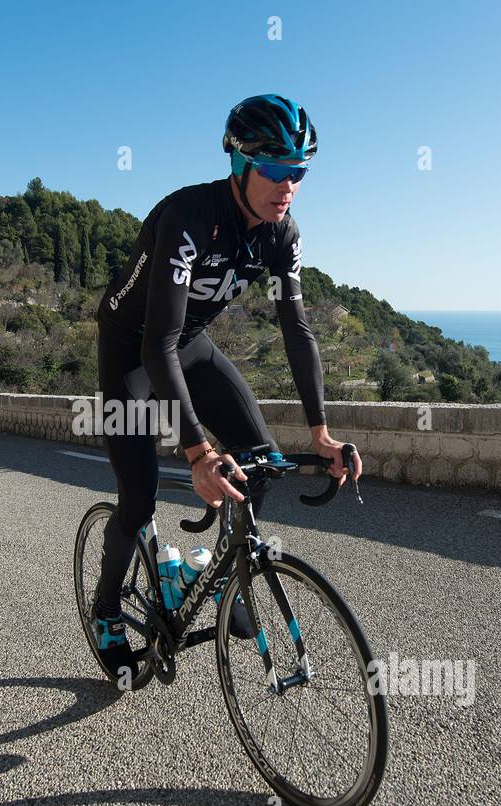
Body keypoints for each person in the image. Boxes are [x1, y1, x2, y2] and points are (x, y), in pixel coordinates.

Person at [90, 94, 362, 680]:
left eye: (300, 172)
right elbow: (154, 345)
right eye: (275, 170)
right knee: (137, 497)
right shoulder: (187, 218)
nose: (288, 185)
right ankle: (107, 608)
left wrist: (322, 433)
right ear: (239, 163)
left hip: (188, 343)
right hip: (132, 347)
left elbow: (297, 328)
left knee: (260, 457)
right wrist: (198, 453)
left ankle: (221, 582)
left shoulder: (281, 234)